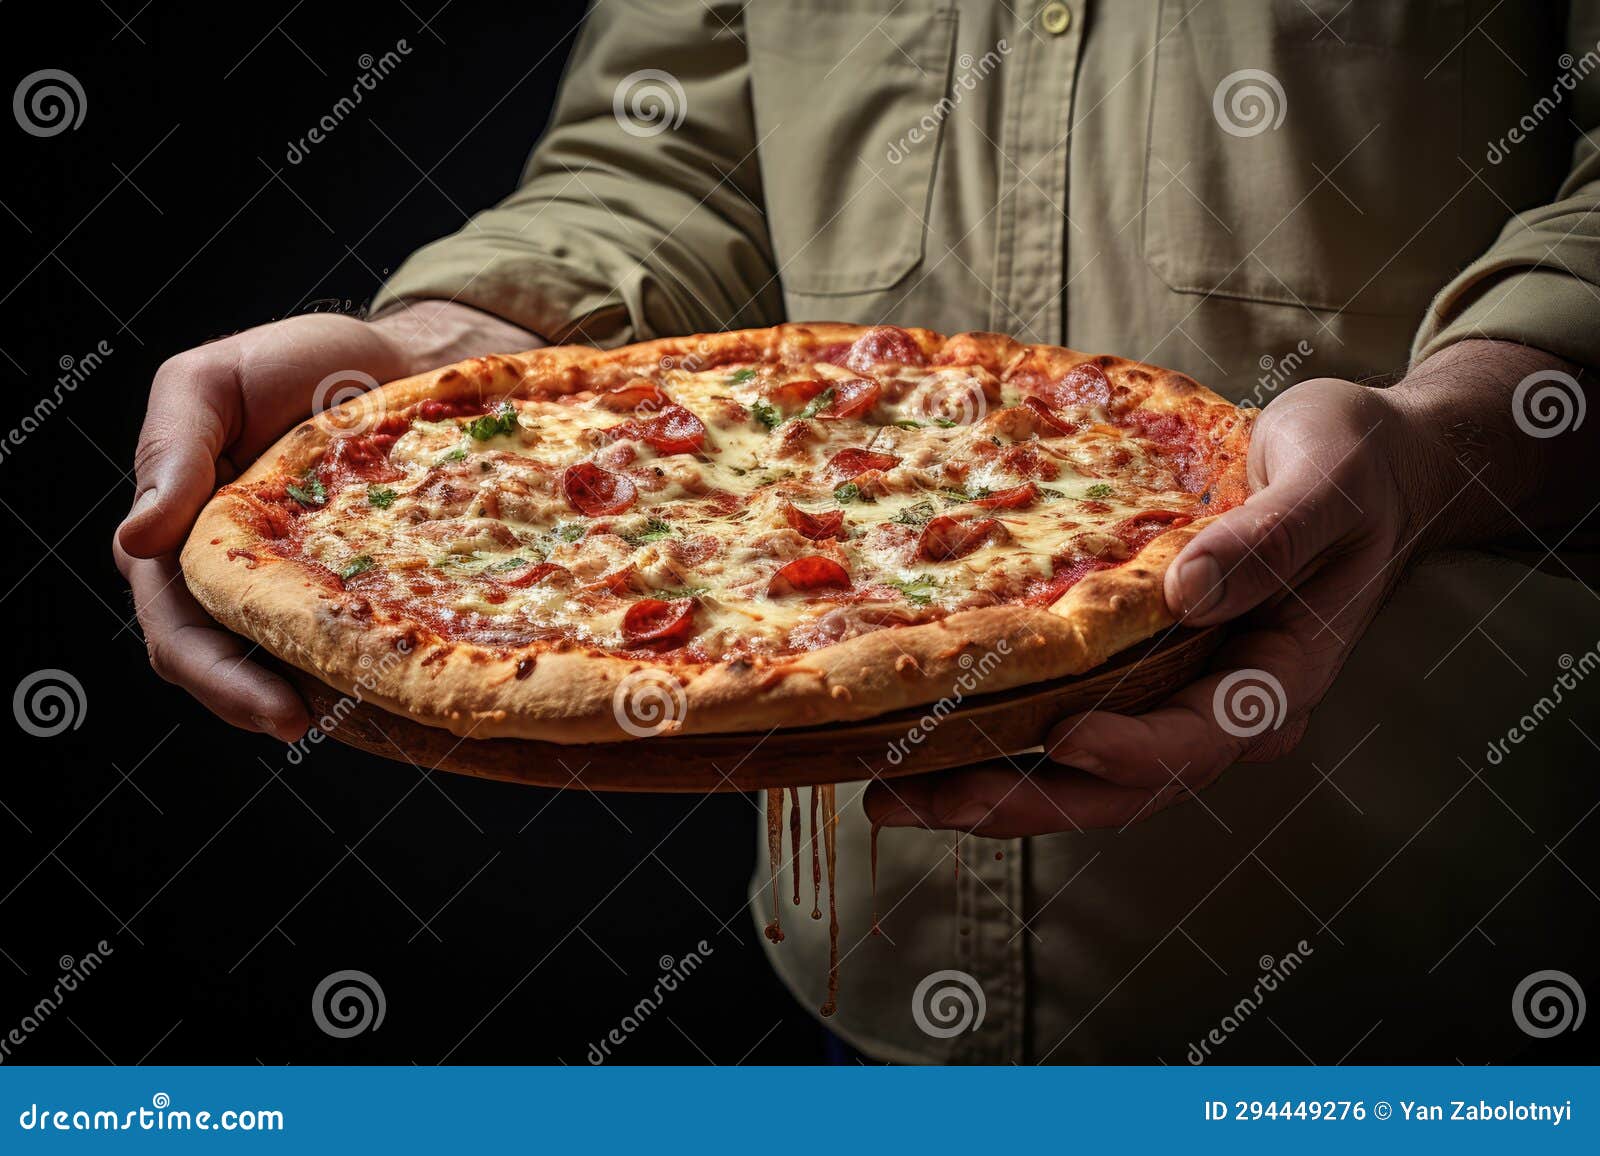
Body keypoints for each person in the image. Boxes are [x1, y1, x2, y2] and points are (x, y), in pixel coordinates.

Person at [116, 1, 1600, 1063]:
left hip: (1416, 975)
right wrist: (424, 367)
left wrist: (1437, 447)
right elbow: (662, 167)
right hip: (866, 973)